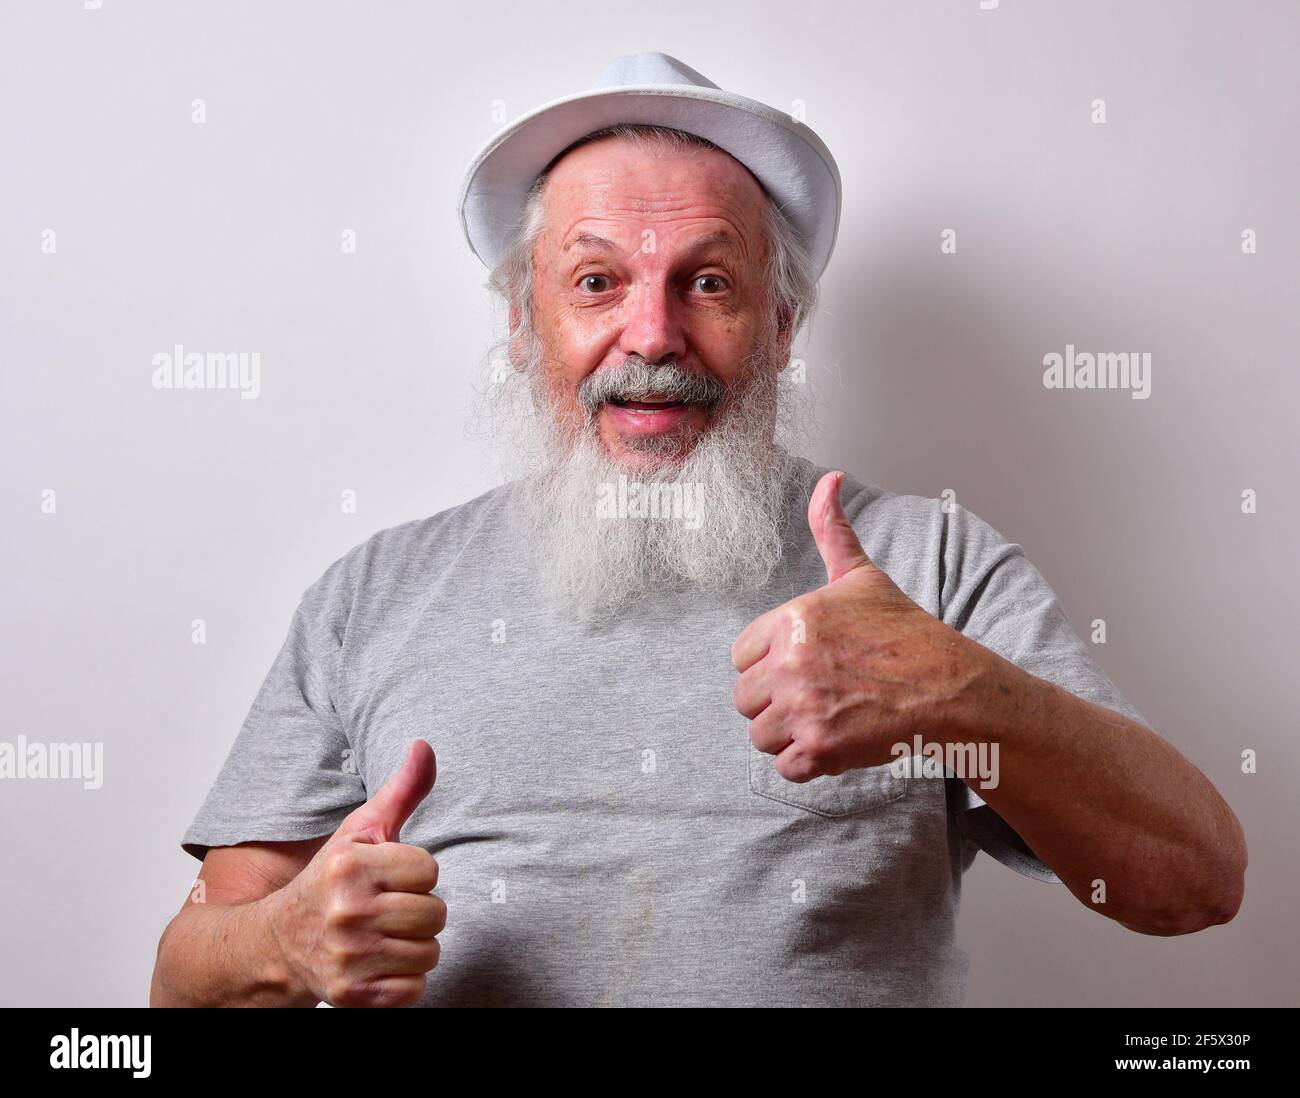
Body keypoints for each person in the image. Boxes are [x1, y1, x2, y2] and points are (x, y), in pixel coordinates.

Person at [150, 53, 1246, 1008]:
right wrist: (286, 943)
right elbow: (184, 980)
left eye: (707, 283)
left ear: (777, 324)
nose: (651, 334)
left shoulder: (931, 566)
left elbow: (1194, 883)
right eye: (595, 282)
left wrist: (959, 692)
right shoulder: (370, 594)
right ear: (525, 326)